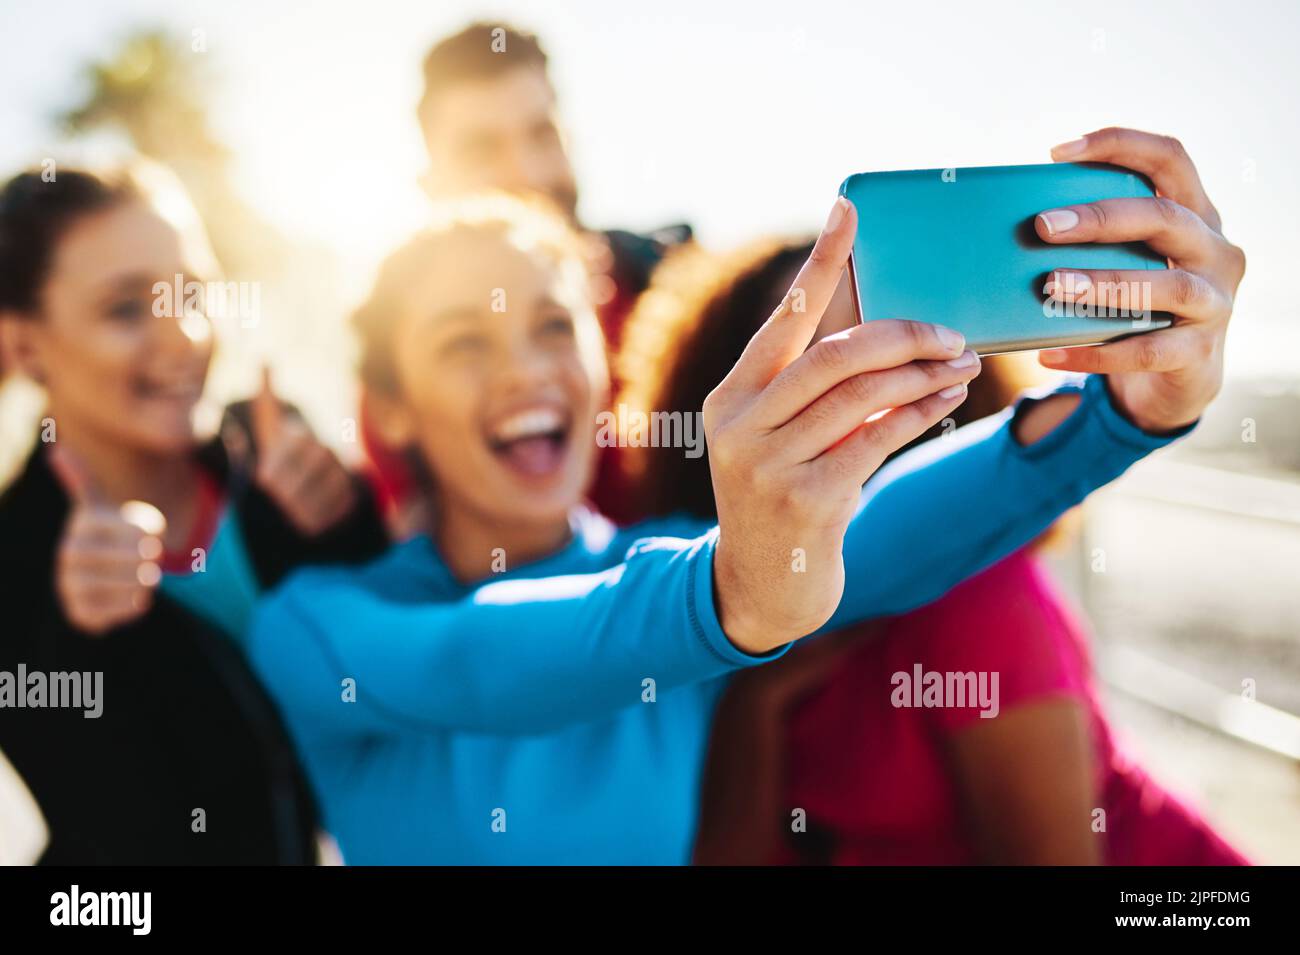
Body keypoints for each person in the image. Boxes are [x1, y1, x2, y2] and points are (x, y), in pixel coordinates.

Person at [246, 129, 1244, 864]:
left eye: (553, 327)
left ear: (602, 358)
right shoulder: (320, 628)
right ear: (392, 407)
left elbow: (886, 524)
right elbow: (477, 659)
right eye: (463, 342)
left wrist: (1123, 404)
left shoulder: (698, 567)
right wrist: (734, 590)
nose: (523, 373)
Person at [616, 237, 1248, 865]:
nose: (854, 387)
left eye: (883, 347)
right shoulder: (707, 613)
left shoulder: (977, 601)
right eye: (811, 357)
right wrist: (755, 700)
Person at [0, 163, 387, 864]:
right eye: (125, 309)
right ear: (24, 344)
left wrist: (349, 517)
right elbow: (107, 826)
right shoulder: (16, 562)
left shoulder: (277, 451)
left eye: (192, 294)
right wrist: (72, 636)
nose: (184, 337)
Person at [363, 22, 686, 523]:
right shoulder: (401, 365)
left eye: (542, 135)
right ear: (430, 184)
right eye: (481, 149)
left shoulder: (675, 296)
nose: (527, 175)